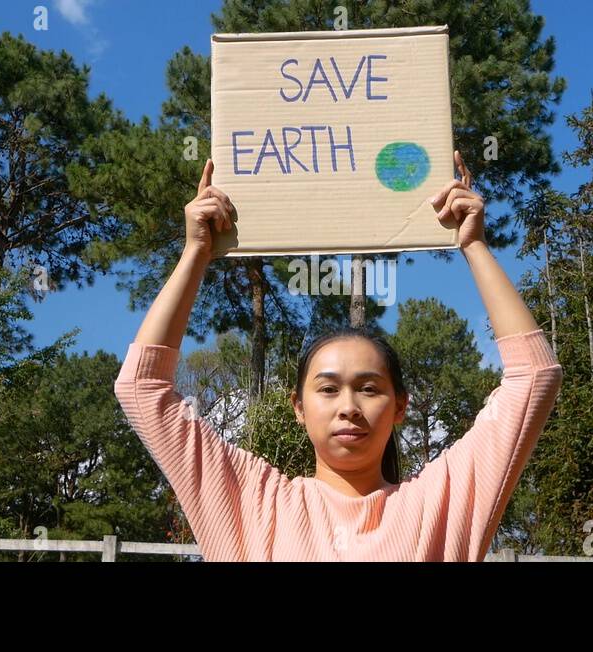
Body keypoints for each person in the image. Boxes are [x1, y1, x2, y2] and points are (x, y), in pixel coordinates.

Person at [113, 151, 563, 561]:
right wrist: (196, 252)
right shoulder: (249, 501)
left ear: (400, 406)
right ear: (299, 408)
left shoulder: (440, 506)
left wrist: (475, 246)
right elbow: (141, 388)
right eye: (327, 389)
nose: (348, 407)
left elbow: (535, 375)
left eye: (369, 388)